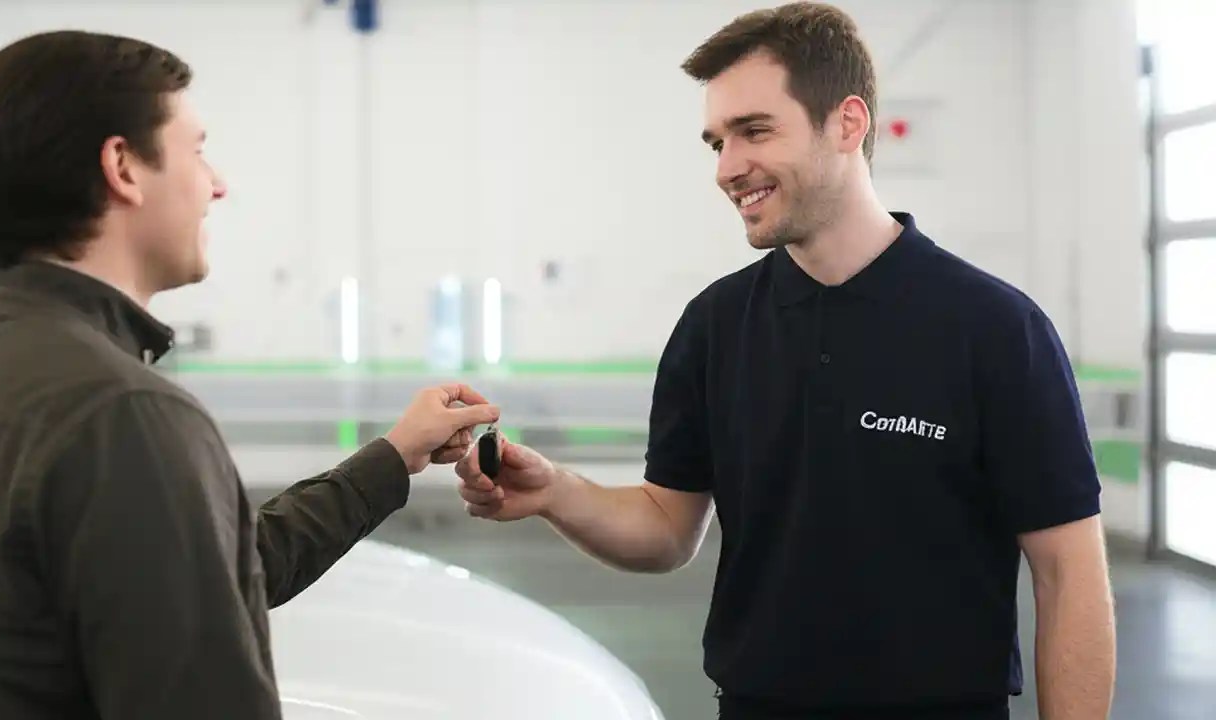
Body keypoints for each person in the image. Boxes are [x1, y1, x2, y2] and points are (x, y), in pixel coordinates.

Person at [456, 3, 1116, 719]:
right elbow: (667, 528)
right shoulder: (715, 326)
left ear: (849, 124)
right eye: (716, 141)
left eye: (755, 131)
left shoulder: (996, 330)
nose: (728, 168)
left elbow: (1068, 577)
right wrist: (555, 492)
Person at [0, 30, 498, 719]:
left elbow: (218, 570)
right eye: (197, 151)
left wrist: (393, 457)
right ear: (123, 167)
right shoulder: (122, 414)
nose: (218, 184)